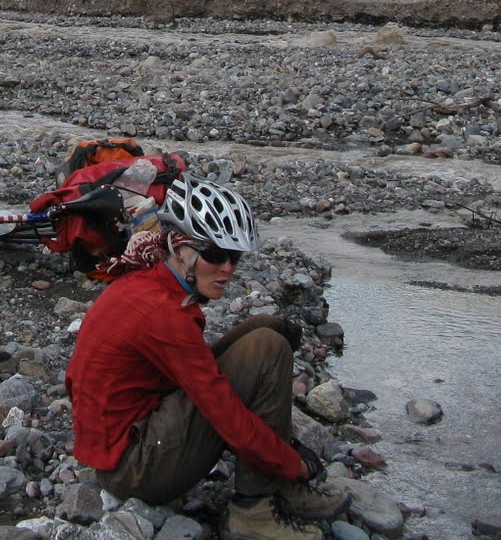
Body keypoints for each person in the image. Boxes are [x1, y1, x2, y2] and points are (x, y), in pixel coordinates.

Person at [65, 176, 350, 540]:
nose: (228, 268)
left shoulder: (149, 280)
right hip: (134, 468)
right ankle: (254, 507)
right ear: (180, 248)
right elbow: (225, 414)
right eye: (215, 255)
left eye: (235, 257)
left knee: (266, 329)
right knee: (267, 346)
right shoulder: (163, 315)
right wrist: (293, 464)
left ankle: (279, 484)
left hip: (121, 443)